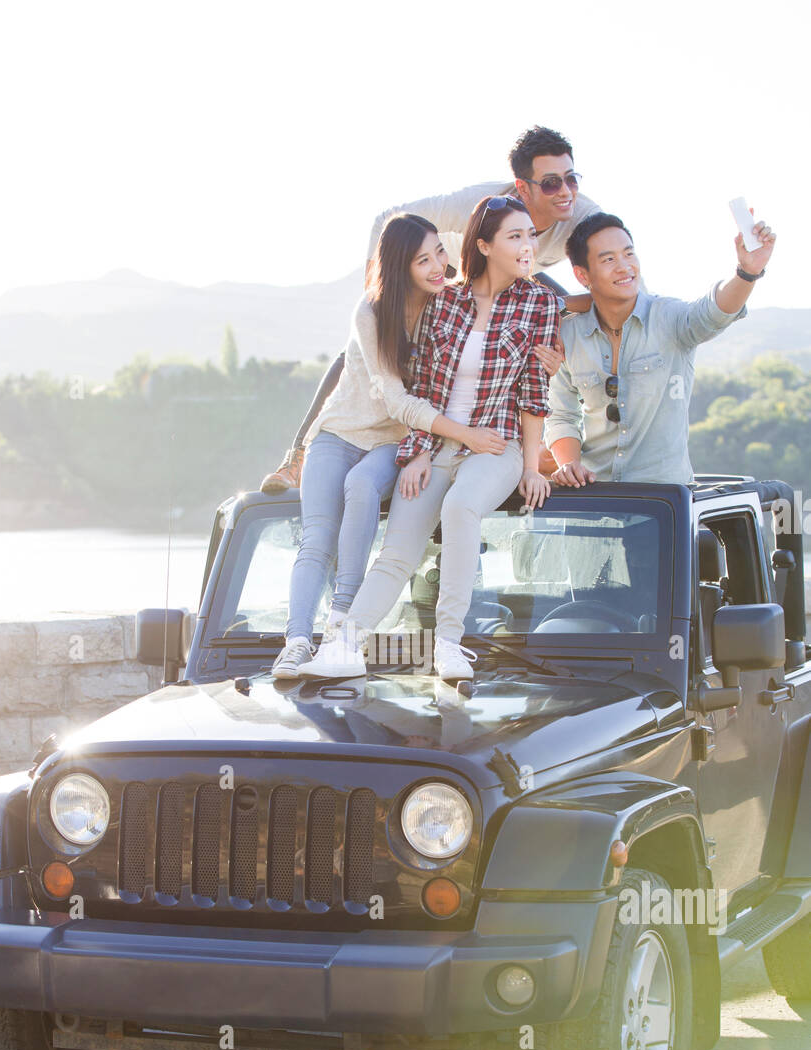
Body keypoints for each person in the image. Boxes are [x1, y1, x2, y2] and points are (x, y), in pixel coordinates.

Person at [298, 195, 561, 683]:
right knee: (398, 551)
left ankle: (447, 644)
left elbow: (532, 394)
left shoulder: (540, 303)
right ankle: (345, 646)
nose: (529, 246)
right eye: (516, 236)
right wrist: (415, 453)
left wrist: (529, 465)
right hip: (436, 445)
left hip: (495, 443)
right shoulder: (448, 301)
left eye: (532, 236)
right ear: (484, 245)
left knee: (461, 507)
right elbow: (423, 384)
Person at [261, 125, 597, 493]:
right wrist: (381, 302)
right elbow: (387, 219)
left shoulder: (581, 214)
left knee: (550, 317)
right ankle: (297, 455)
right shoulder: (479, 203)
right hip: (454, 269)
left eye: (571, 179)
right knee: (364, 344)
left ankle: (548, 446)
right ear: (523, 187)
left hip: (511, 276)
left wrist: (561, 317)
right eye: (551, 183)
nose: (565, 192)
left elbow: (617, 280)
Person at [544, 210, 777, 486]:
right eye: (609, 259)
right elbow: (561, 414)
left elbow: (713, 312)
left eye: (629, 254)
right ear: (582, 275)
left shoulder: (668, 317)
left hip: (665, 503)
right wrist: (569, 464)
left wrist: (746, 273)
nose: (624, 266)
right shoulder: (568, 334)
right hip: (597, 498)